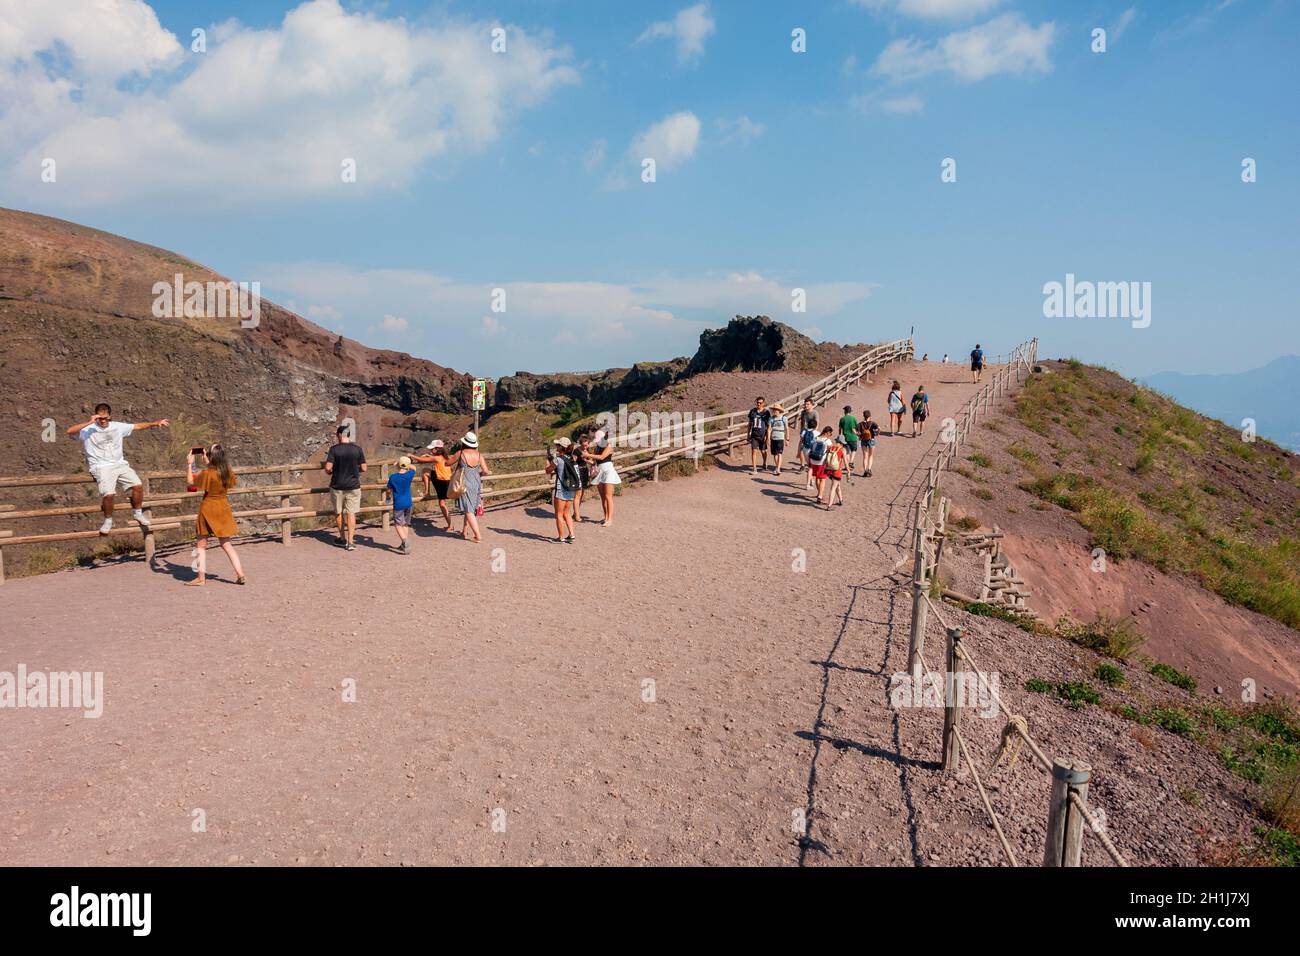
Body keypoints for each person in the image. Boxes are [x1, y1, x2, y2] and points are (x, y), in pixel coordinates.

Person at [67, 403, 169, 534]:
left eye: (106, 418)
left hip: (120, 464)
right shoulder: (88, 429)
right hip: (101, 467)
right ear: (96, 417)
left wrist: (155, 423)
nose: (103, 421)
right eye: (100, 418)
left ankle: (137, 513)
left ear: (110, 416)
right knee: (109, 495)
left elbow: (137, 426)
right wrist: (90, 422)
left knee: (137, 485)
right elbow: (69, 431)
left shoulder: (117, 426)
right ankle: (108, 520)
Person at [185, 443, 245, 586]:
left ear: (212, 457)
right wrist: (208, 461)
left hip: (208, 508)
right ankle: (240, 574)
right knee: (226, 544)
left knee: (201, 544)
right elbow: (217, 473)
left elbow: (191, 485)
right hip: (223, 507)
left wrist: (190, 464)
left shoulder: (207, 474)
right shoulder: (227, 472)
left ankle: (201, 578)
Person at [325, 424, 367, 551]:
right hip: (353, 485)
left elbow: (328, 467)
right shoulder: (357, 449)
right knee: (351, 513)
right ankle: (351, 542)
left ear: (339, 435)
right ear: (348, 435)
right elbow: (364, 468)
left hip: (337, 485)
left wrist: (330, 472)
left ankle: (342, 538)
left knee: (338, 512)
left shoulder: (334, 449)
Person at [445, 431, 491, 542]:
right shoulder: (479, 455)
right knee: (470, 507)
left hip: (464, 483)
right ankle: (464, 531)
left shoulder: (461, 453)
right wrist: (477, 474)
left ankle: (478, 535)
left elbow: (447, 463)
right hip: (476, 482)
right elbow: (485, 470)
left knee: (469, 510)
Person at [411, 439, 454, 530]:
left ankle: (427, 493)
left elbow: (422, 460)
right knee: (442, 503)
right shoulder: (445, 457)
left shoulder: (436, 458)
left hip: (442, 482)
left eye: (432, 449)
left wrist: (411, 455)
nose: (431, 451)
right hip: (448, 481)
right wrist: (429, 455)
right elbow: (434, 459)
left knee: (442, 504)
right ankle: (450, 525)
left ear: (437, 449)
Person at [545, 437, 579, 543]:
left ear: (561, 447)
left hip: (561, 488)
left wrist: (548, 461)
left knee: (559, 514)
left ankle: (561, 537)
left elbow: (548, 471)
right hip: (571, 488)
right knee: (567, 513)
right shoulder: (572, 458)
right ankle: (571, 535)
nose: (556, 446)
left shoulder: (558, 459)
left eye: (558, 445)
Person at [587, 429, 621, 526]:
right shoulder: (597, 448)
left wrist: (588, 454)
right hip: (600, 471)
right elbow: (594, 461)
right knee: (603, 497)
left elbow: (602, 457)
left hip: (608, 471)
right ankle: (606, 517)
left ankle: (610, 519)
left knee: (608, 496)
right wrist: (586, 458)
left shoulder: (609, 447)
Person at [383, 456, 417, 554]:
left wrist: (388, 497)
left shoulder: (393, 477)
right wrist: (403, 464)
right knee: (405, 524)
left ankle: (405, 541)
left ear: (398, 465)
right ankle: (404, 545)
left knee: (398, 524)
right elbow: (414, 468)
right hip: (408, 503)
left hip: (398, 504)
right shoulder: (409, 475)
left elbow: (388, 489)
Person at [746, 397, 772, 474]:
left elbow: (769, 426)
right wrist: (748, 434)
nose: (759, 404)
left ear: (763, 403)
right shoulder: (752, 411)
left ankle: (764, 462)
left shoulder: (766, 413)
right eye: (757, 402)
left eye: (760, 403)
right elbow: (750, 423)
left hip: (763, 435)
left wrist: (767, 437)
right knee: (754, 451)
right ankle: (754, 469)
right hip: (754, 435)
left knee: (763, 451)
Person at [572, 431, 594, 521]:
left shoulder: (587, 451)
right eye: (584, 444)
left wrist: (587, 458)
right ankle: (577, 516)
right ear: (581, 443)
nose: (586, 446)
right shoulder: (576, 451)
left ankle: (575, 513)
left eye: (587, 444)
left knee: (581, 494)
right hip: (578, 472)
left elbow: (592, 461)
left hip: (585, 471)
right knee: (578, 494)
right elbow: (573, 462)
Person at [807, 426, 832, 503]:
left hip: (814, 460)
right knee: (823, 479)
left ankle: (819, 494)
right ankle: (820, 497)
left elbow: (810, 448)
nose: (830, 435)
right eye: (830, 434)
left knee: (817, 477)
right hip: (822, 461)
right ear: (827, 433)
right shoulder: (828, 441)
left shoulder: (815, 438)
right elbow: (830, 451)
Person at [822, 433, 847, 509]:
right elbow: (845, 462)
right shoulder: (842, 450)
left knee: (837, 485)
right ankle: (829, 505)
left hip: (830, 470)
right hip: (837, 471)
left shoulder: (831, 447)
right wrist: (848, 471)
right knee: (833, 487)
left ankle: (840, 500)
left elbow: (825, 456)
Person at [796, 399, 818, 475]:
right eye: (805, 404)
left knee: (810, 450)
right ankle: (802, 465)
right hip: (803, 432)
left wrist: (813, 432)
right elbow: (802, 422)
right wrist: (802, 432)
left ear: (812, 405)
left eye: (808, 404)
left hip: (811, 433)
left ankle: (811, 466)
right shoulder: (803, 412)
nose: (806, 405)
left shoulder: (815, 413)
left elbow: (817, 423)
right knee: (801, 448)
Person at [837, 405, 860, 475]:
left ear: (845, 411)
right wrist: (857, 433)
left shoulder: (842, 419)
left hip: (845, 437)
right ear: (850, 411)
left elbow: (840, 428)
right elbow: (857, 427)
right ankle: (851, 461)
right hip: (853, 437)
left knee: (846, 451)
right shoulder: (853, 418)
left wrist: (840, 435)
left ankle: (847, 464)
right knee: (854, 450)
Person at [856, 412, 880, 477]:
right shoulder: (872, 423)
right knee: (871, 455)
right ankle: (869, 469)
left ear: (863, 416)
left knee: (865, 456)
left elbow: (855, 430)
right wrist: (877, 433)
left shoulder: (860, 424)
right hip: (871, 440)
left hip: (863, 440)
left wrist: (858, 435)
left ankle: (865, 471)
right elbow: (878, 428)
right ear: (870, 416)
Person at [768, 403, 788, 474]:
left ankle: (778, 468)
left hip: (781, 437)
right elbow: (769, 429)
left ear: (779, 410)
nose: (775, 411)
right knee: (775, 454)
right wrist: (768, 438)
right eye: (774, 410)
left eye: (776, 410)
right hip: (773, 437)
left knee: (779, 453)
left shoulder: (784, 418)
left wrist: (787, 439)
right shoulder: (771, 418)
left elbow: (786, 428)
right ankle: (777, 467)